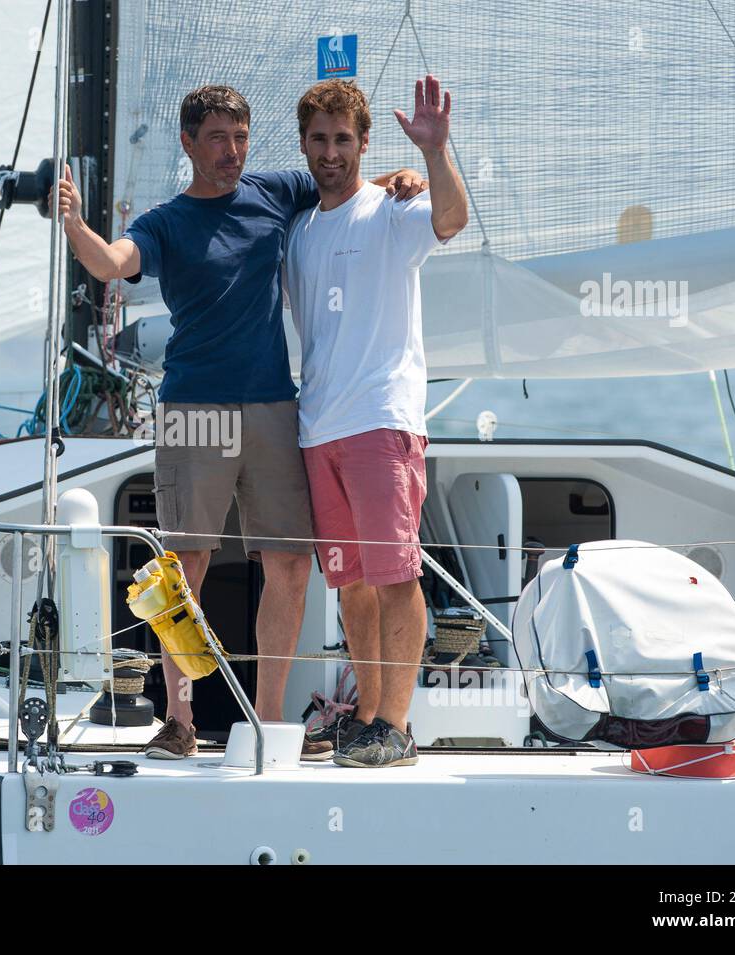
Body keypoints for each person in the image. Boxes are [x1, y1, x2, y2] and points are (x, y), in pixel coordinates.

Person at [52, 85, 426, 759]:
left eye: (242, 138)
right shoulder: (166, 223)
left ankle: (270, 724)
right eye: (218, 138)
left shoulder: (278, 191)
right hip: (194, 408)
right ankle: (179, 718)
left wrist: (400, 175)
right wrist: (76, 224)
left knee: (288, 565)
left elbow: (343, 180)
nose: (232, 152)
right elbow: (111, 265)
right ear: (189, 144)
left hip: (276, 408)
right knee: (184, 567)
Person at [284, 76, 468, 767]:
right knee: (352, 587)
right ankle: (364, 716)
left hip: (381, 422)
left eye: (343, 139)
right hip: (318, 430)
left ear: (363, 142)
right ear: (304, 144)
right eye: (319, 139)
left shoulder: (393, 212)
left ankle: (396, 724)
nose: (331, 151)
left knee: (395, 578)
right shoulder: (299, 229)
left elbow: (452, 220)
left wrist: (435, 153)